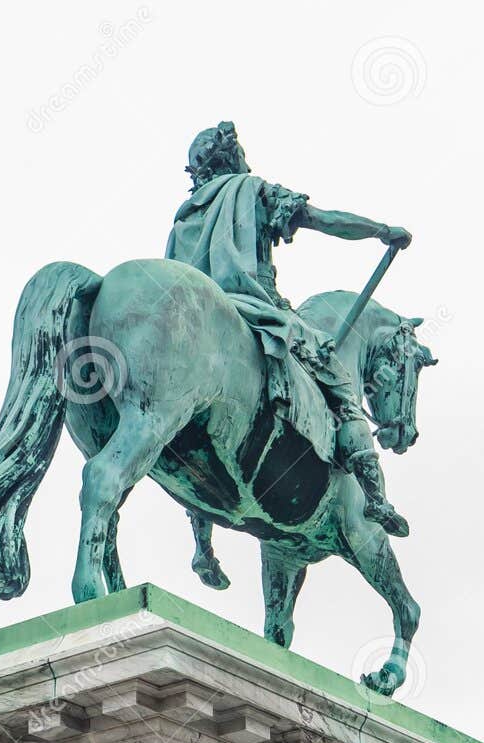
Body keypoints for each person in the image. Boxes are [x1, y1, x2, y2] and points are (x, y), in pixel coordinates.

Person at [166, 121, 411, 541]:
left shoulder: (185, 216)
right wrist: (379, 231)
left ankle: (202, 543)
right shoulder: (251, 190)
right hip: (254, 305)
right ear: (233, 157)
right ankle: (375, 498)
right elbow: (323, 219)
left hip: (192, 319)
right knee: (339, 384)